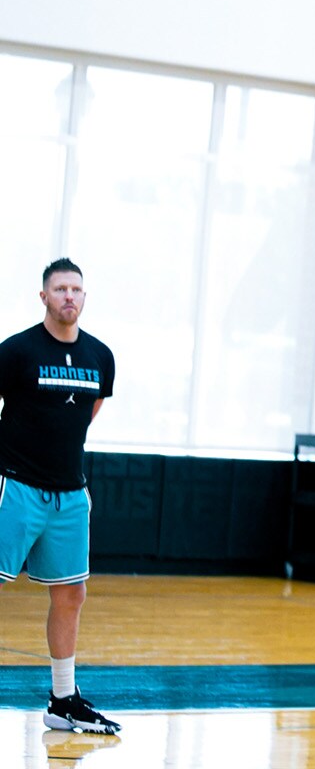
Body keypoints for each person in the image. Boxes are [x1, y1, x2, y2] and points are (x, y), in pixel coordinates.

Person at [0, 259, 121, 735]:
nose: (69, 296)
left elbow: (88, 411)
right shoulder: (17, 351)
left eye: (76, 289)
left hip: (69, 493)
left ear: (84, 297)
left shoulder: (101, 356)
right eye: (60, 289)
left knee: (71, 593)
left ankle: (63, 700)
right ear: (44, 297)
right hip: (15, 486)